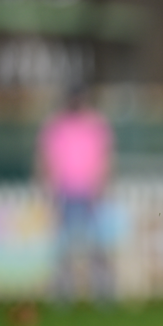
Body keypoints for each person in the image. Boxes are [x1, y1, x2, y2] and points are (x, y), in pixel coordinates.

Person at [37, 85, 115, 305]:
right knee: (64, 247)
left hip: (92, 192)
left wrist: (103, 185)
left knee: (99, 245)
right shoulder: (56, 125)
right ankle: (63, 293)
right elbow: (46, 158)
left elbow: (106, 157)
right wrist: (47, 187)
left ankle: (103, 293)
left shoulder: (96, 124)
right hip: (64, 192)